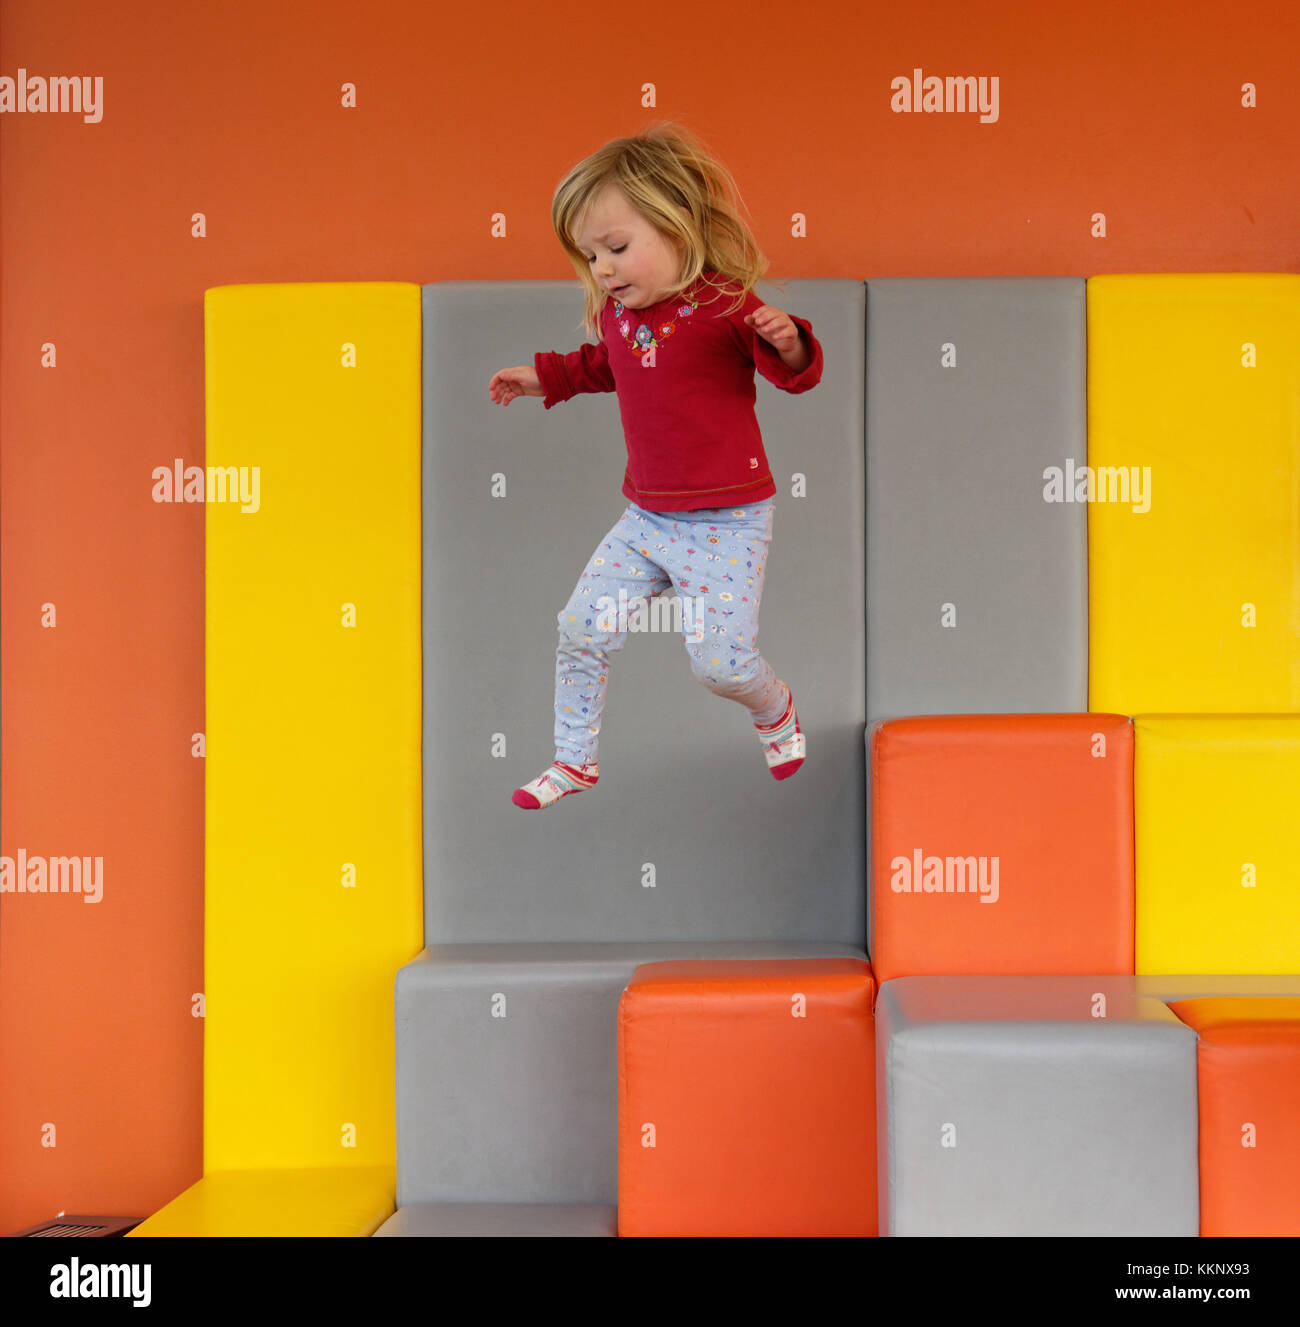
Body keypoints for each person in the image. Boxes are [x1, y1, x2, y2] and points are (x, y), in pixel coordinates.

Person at [487, 122, 824, 810]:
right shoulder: (618, 314)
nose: (604, 269)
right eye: (590, 256)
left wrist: (790, 344)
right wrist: (541, 379)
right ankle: (574, 759)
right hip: (646, 519)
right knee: (579, 626)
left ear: (678, 225)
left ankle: (775, 707)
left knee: (720, 666)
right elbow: (605, 366)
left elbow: (792, 376)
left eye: (616, 248)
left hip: (728, 523)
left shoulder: (727, 306)